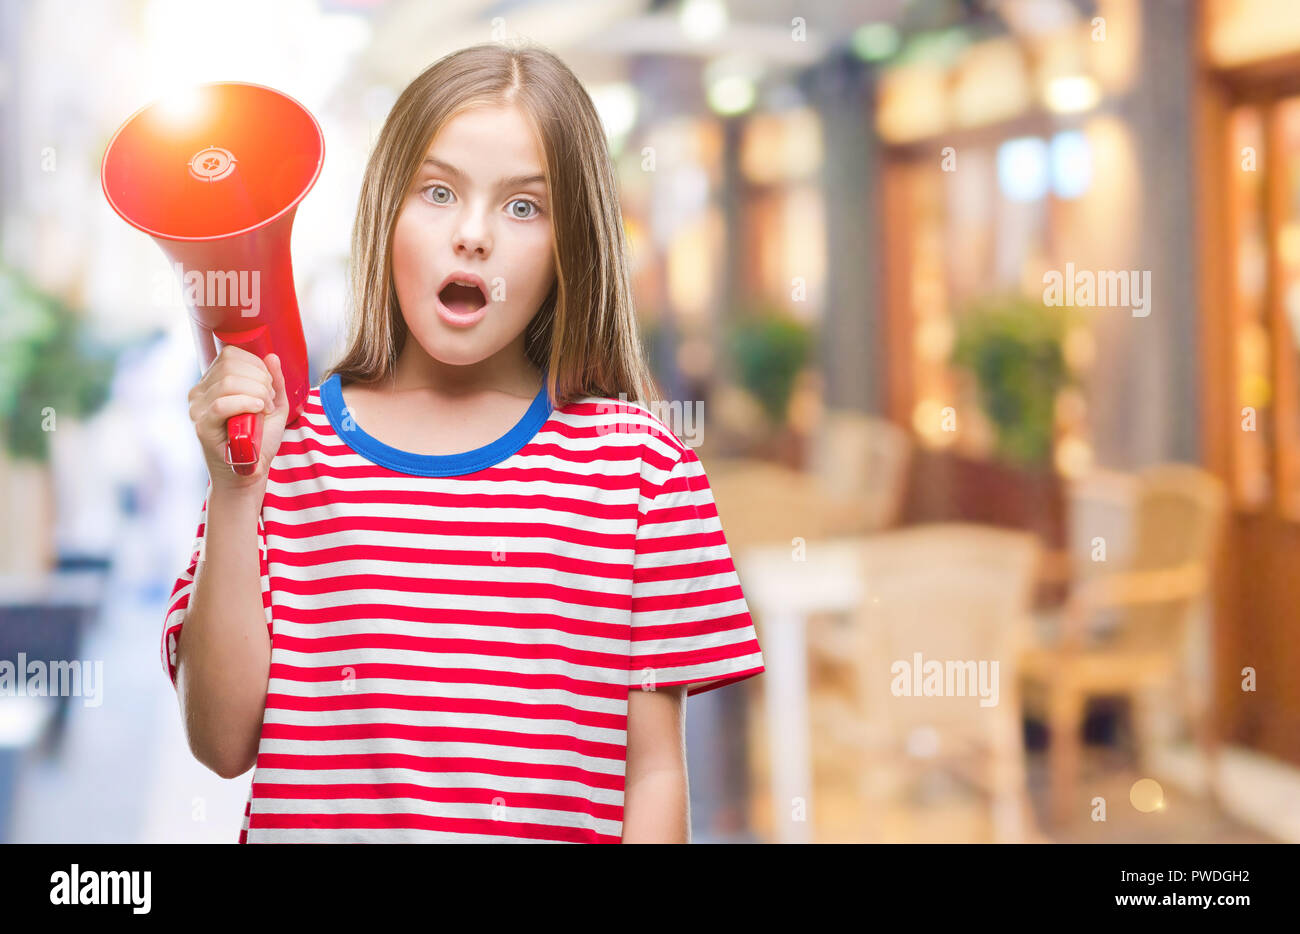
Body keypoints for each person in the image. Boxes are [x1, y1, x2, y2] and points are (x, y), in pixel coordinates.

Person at [163, 42, 765, 844]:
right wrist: (238, 491)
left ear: (570, 248)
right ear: (385, 212)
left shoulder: (642, 473)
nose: (473, 235)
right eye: (438, 192)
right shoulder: (281, 451)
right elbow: (221, 742)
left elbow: (652, 773)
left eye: (524, 207)